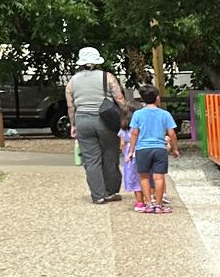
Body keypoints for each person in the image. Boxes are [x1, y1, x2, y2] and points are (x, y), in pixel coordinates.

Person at [66, 46, 129, 204]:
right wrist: (128, 116)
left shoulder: (72, 81)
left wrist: (73, 124)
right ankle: (111, 191)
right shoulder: (107, 77)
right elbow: (119, 99)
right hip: (105, 121)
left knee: (91, 160)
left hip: (82, 121)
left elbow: (70, 105)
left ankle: (98, 195)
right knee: (110, 156)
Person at [127, 84, 179, 213]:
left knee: (144, 177)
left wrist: (131, 151)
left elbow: (134, 133)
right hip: (159, 148)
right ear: (157, 98)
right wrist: (175, 148)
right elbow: (172, 133)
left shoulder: (138, 114)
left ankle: (149, 204)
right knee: (159, 177)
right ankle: (159, 205)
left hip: (142, 149)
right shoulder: (165, 114)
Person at [117, 118, 142, 205]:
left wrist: (125, 153)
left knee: (134, 177)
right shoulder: (140, 127)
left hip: (129, 153)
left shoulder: (123, 129)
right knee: (145, 176)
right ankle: (149, 199)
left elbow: (122, 144)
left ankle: (139, 202)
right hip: (141, 149)